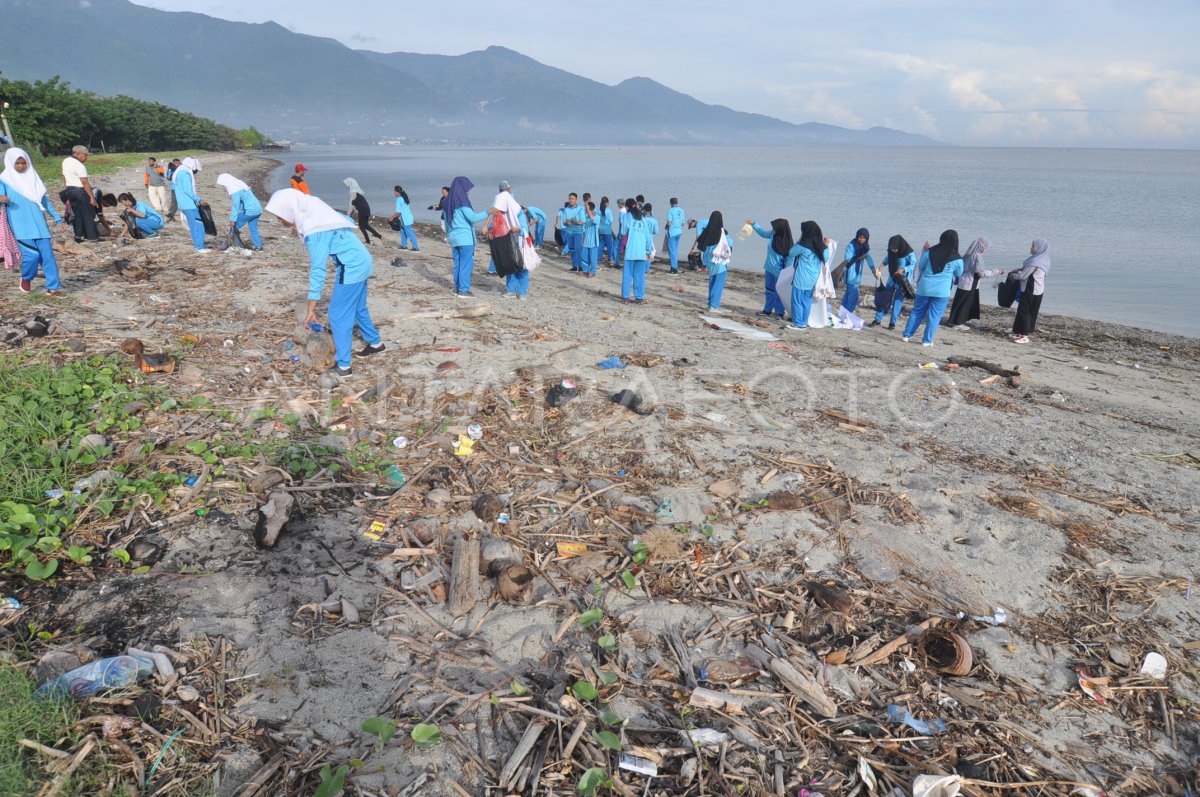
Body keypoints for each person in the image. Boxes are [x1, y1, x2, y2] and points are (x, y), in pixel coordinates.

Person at [265, 188, 385, 378]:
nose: (279, 221)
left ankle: (344, 365)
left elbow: (318, 270)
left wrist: (312, 306)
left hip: (351, 266)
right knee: (358, 307)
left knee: (337, 315)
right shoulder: (318, 216)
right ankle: (376, 343)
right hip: (361, 260)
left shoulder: (315, 231)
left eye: (280, 216)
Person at [0, 148, 65, 295]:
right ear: (11, 163)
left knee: (48, 256)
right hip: (20, 225)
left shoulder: (34, 179)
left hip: (39, 224)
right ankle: (27, 277)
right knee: (32, 255)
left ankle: (53, 287)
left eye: (24, 163)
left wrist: (58, 219)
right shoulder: (4, 179)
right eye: (18, 163)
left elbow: (45, 202)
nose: (22, 166)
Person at [902, 230, 964, 346]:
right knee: (934, 316)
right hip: (942, 291)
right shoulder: (957, 258)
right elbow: (959, 273)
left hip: (925, 287)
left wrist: (926, 252)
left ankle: (906, 335)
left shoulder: (930, 251)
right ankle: (926, 340)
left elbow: (921, 266)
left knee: (917, 311)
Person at [443, 176, 488, 298]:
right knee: (466, 264)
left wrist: (448, 236)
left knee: (458, 264)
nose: (468, 191)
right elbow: (473, 218)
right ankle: (463, 290)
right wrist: (489, 212)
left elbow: (446, 222)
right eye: (467, 188)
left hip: (453, 237)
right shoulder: (462, 200)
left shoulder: (447, 201)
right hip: (465, 238)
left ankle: (457, 288)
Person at [785, 221, 832, 332]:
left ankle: (798, 323)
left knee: (797, 300)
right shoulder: (821, 247)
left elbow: (791, 253)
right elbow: (826, 258)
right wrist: (826, 245)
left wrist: (799, 240)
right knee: (806, 300)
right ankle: (804, 322)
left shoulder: (803, 245)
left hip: (801, 277)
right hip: (812, 278)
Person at [948, 236, 1001, 329]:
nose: (986, 249)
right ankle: (958, 323)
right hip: (970, 283)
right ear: (982, 246)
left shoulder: (968, 255)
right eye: (986, 246)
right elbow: (981, 273)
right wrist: (995, 271)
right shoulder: (977, 257)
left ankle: (953, 321)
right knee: (965, 303)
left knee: (959, 301)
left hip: (962, 281)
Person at [1009, 239, 1051, 344]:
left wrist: (1012, 275)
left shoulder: (1035, 261)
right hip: (1039, 289)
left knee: (1025, 312)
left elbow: (1023, 276)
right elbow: (1027, 270)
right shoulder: (1044, 259)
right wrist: (1019, 269)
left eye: (1033, 246)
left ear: (1039, 248)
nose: (1031, 248)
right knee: (1028, 311)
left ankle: (1024, 335)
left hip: (1031, 289)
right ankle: (1019, 331)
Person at [870, 235, 916, 329]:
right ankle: (878, 319)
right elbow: (886, 261)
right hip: (892, 277)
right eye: (892, 249)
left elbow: (913, 265)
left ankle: (892, 323)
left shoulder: (909, 253)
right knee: (885, 298)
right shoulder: (891, 252)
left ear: (900, 246)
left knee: (898, 300)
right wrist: (880, 268)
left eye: (895, 249)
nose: (894, 251)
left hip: (902, 280)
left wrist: (903, 269)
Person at [751, 218, 792, 317]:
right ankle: (767, 310)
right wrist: (754, 224)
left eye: (775, 228)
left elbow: (789, 260)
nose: (773, 229)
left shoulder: (788, 244)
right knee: (769, 289)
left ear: (781, 229)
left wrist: (785, 273)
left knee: (778, 292)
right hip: (769, 268)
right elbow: (763, 233)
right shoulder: (773, 235)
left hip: (779, 271)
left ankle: (779, 312)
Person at [694, 211, 732, 312]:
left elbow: (700, 243)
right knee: (718, 284)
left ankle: (710, 303)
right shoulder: (721, 232)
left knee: (712, 282)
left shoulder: (707, 231)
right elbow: (729, 243)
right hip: (719, 262)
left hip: (709, 261)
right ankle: (714, 306)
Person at [172, 156, 211, 253]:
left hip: (183, 204)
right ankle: (199, 247)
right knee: (199, 226)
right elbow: (188, 191)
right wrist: (199, 200)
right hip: (189, 204)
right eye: (195, 169)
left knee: (193, 225)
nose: (195, 171)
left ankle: (197, 245)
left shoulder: (179, 173)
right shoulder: (185, 174)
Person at [61, 145, 99, 242]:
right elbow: (84, 181)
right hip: (80, 190)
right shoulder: (79, 165)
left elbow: (65, 177)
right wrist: (92, 197)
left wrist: (67, 189)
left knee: (77, 214)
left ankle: (78, 235)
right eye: (84, 155)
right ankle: (92, 236)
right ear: (77, 154)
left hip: (70, 189)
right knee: (87, 213)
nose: (86, 158)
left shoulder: (66, 161)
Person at [217, 173, 264, 250]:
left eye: (223, 185)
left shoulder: (235, 190)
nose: (223, 187)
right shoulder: (241, 186)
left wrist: (232, 219)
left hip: (250, 210)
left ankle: (226, 243)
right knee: (253, 228)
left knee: (234, 225)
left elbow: (235, 206)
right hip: (258, 209)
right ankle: (258, 246)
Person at [620, 199, 653, 304]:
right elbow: (648, 237)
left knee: (627, 275)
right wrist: (648, 251)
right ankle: (639, 298)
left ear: (627, 207)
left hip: (630, 251)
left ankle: (626, 297)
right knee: (639, 276)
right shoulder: (642, 219)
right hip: (641, 252)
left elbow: (623, 231)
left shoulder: (627, 216)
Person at [840, 228, 874, 313]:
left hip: (857, 275)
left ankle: (843, 313)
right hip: (851, 275)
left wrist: (873, 271)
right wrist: (859, 257)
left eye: (864, 238)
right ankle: (848, 314)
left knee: (848, 295)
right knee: (853, 297)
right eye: (860, 237)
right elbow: (847, 261)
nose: (862, 239)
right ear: (857, 236)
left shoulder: (865, 247)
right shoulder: (851, 246)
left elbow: (869, 258)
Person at [343, 178, 383, 245]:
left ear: (350, 183)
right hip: (367, 209)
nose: (346, 186)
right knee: (366, 225)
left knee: (361, 226)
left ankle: (367, 241)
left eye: (346, 184)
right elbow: (356, 204)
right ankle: (379, 236)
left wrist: (348, 215)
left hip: (362, 210)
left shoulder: (353, 192)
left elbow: (351, 205)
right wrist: (350, 213)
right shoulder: (359, 191)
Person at [389, 186, 419, 251]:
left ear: (397, 192)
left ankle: (416, 248)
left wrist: (392, 217)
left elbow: (398, 212)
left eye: (394, 191)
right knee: (403, 232)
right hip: (408, 217)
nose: (394, 193)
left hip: (405, 219)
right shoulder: (404, 198)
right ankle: (404, 246)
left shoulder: (399, 199)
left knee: (409, 233)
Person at [562, 193, 585, 271]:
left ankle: (581, 267)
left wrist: (574, 222)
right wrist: (567, 223)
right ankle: (574, 266)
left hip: (578, 232)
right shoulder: (566, 209)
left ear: (576, 200)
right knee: (571, 249)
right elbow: (564, 222)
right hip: (569, 232)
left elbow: (583, 221)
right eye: (570, 198)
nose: (571, 200)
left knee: (579, 249)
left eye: (573, 199)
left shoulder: (580, 209)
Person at [665, 197, 686, 273]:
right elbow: (683, 223)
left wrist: (666, 226)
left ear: (671, 203)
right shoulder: (681, 210)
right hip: (679, 232)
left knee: (672, 251)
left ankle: (674, 268)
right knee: (675, 250)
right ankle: (673, 266)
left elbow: (669, 222)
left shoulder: (671, 210)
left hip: (672, 232)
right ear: (677, 202)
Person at [580, 200, 600, 278]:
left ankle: (593, 272)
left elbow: (592, 219)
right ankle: (585, 271)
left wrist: (588, 209)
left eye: (587, 208)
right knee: (584, 256)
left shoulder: (597, 216)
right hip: (586, 240)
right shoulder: (586, 217)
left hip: (594, 241)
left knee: (593, 257)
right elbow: (583, 228)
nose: (585, 209)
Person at [596, 198, 615, 265]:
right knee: (610, 245)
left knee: (601, 244)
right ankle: (609, 259)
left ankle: (599, 259)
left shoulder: (599, 211)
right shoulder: (608, 210)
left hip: (600, 229)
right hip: (607, 229)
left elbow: (597, 220)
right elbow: (611, 221)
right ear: (607, 203)